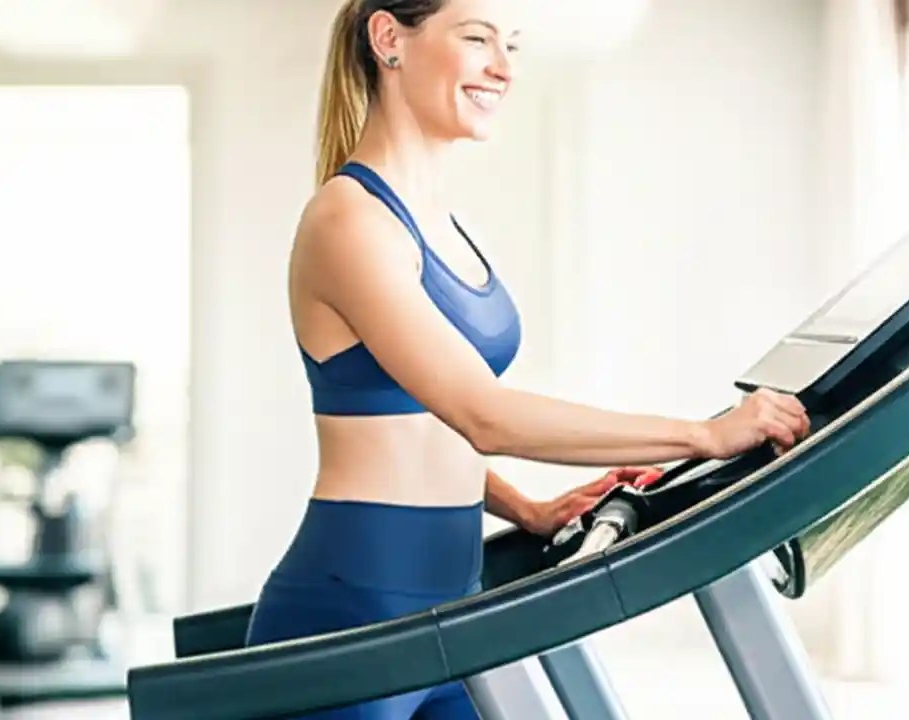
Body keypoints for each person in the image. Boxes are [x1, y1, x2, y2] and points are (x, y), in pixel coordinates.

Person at [243, 0, 811, 718]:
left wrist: (528, 510)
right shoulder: (348, 218)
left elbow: (418, 422)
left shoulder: (435, 221)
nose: (503, 68)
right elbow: (484, 414)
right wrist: (705, 434)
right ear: (389, 39)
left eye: (510, 44)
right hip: (353, 613)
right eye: (477, 39)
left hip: (458, 605)